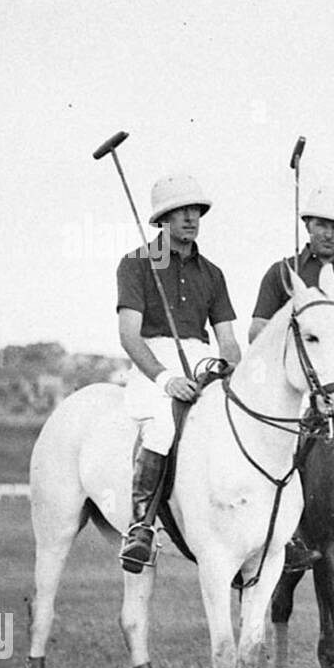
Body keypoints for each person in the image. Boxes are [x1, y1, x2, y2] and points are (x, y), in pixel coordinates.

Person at [249, 185, 334, 572]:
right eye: (322, 224)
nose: (329, 233)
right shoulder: (282, 273)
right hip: (295, 387)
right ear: (307, 225)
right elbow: (257, 332)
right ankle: (284, 536)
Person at [117, 174, 241, 573]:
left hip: (201, 359)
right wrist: (164, 378)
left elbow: (227, 339)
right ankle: (141, 525)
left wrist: (230, 366)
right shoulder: (136, 264)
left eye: (195, 211)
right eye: (180, 212)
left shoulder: (213, 273)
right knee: (162, 425)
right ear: (163, 219)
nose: (190, 218)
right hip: (153, 360)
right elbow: (128, 336)